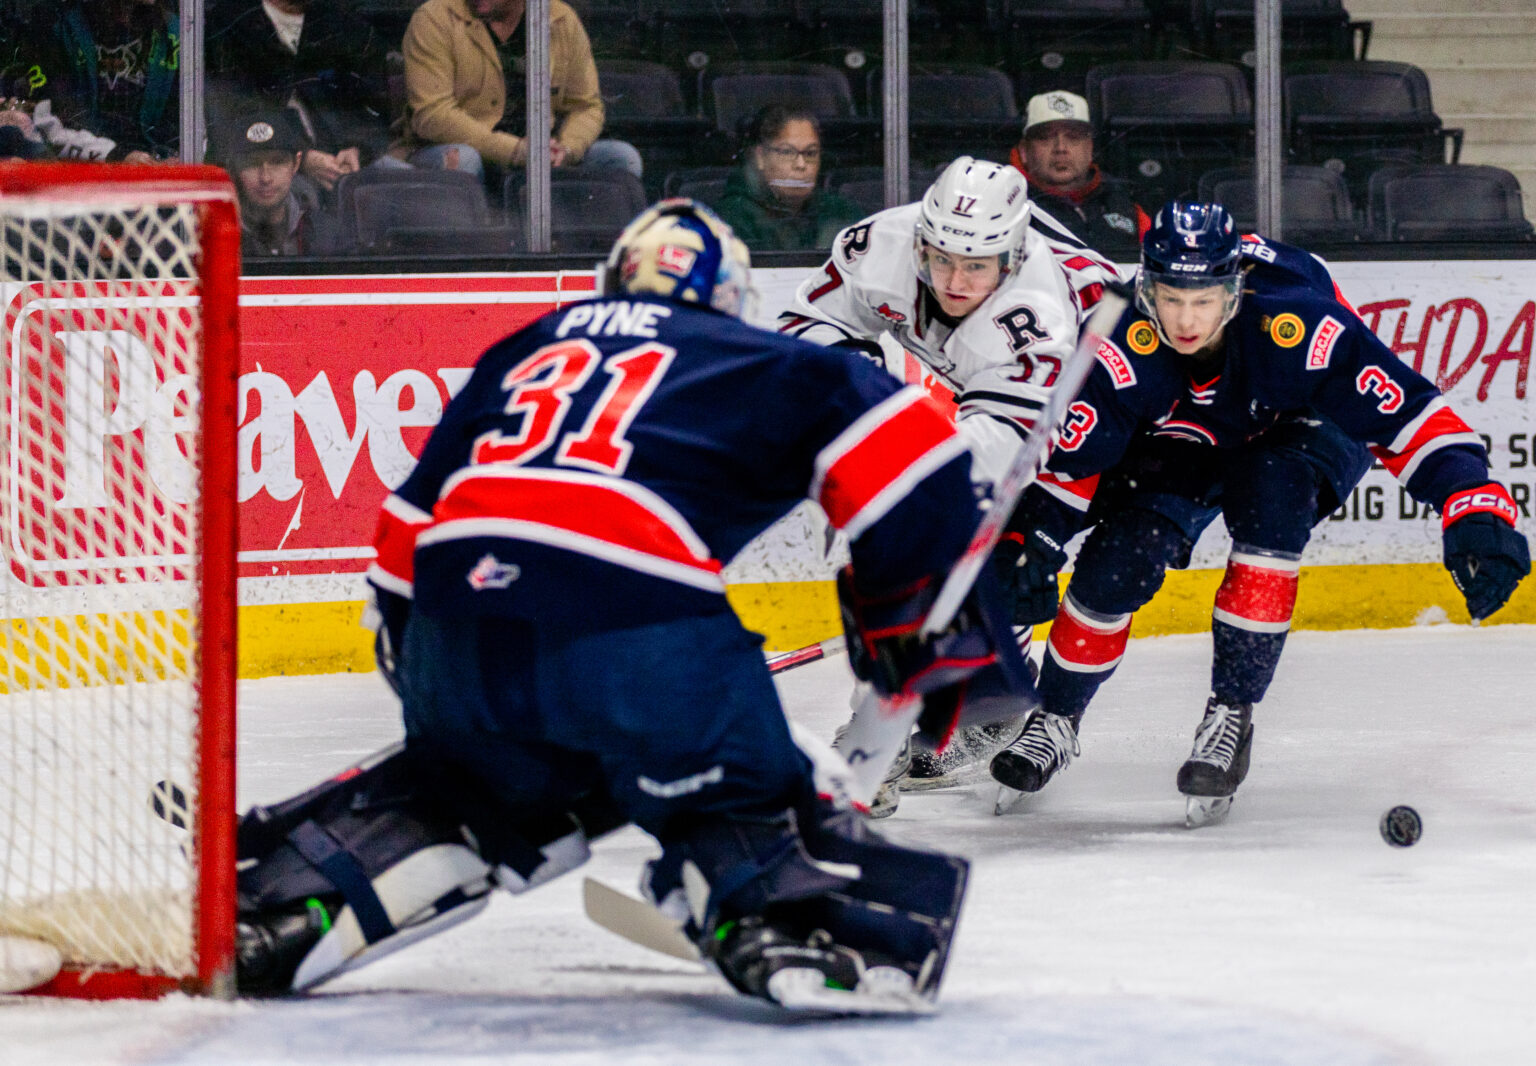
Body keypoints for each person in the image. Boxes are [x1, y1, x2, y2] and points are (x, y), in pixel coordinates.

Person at [227, 200, 1034, 1011]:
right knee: (738, 783)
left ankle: (290, 900)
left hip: (454, 625)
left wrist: (440, 694)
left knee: (465, 792)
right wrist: (928, 638)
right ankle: (783, 914)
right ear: (727, 296)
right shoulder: (755, 356)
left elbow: (405, 532)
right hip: (636, 629)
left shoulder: (525, 349)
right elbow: (910, 455)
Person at [990, 201, 1531, 826]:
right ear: (1145, 287)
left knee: (1270, 500)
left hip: (1300, 427)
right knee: (1118, 561)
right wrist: (1031, 540)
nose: (1186, 319)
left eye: (1204, 299)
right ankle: (1055, 719)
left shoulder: (1302, 325)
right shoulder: (1114, 339)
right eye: (1170, 298)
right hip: (1183, 439)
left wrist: (1473, 506)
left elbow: (1409, 417)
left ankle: (1230, 715)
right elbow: (1075, 461)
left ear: (1236, 287)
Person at [779, 155, 1123, 801]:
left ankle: (930, 720)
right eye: (939, 258)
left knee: (996, 556)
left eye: (976, 265)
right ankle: (913, 720)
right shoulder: (876, 244)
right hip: (984, 390)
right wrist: (843, 363)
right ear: (920, 240)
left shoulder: (1037, 320)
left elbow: (990, 464)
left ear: (1013, 257)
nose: (954, 280)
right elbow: (800, 331)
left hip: (1097, 400)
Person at [390, 0, 640, 182]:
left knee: (621, 157)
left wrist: (567, 149)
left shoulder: (560, 19)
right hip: (455, 147)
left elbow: (586, 105)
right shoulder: (434, 17)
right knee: (463, 158)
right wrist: (517, 150)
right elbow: (433, 115)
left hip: (540, 149)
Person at [206, 0, 392, 193]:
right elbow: (230, 115)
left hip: (347, 167)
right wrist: (300, 157)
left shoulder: (344, 25)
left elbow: (374, 108)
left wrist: (357, 148)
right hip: (265, 169)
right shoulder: (228, 24)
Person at [13, 0, 180, 162]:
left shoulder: (177, 32)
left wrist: (177, 157)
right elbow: (49, 122)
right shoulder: (59, 27)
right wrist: (114, 155)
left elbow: (192, 119)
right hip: (84, 174)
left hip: (154, 172)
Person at [1009, 90, 1149, 253]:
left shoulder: (1124, 200)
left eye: (1073, 137)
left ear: (1090, 148)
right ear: (1024, 151)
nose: (1061, 148)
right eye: (1046, 137)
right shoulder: (1004, 207)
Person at [714, 105, 863, 252]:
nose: (801, 164)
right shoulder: (731, 218)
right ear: (760, 157)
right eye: (787, 152)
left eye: (810, 153)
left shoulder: (841, 213)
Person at [215, 110, 336, 257]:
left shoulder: (327, 234)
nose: (265, 178)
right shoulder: (215, 239)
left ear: (296, 164)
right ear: (234, 169)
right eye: (252, 164)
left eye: (277, 162)